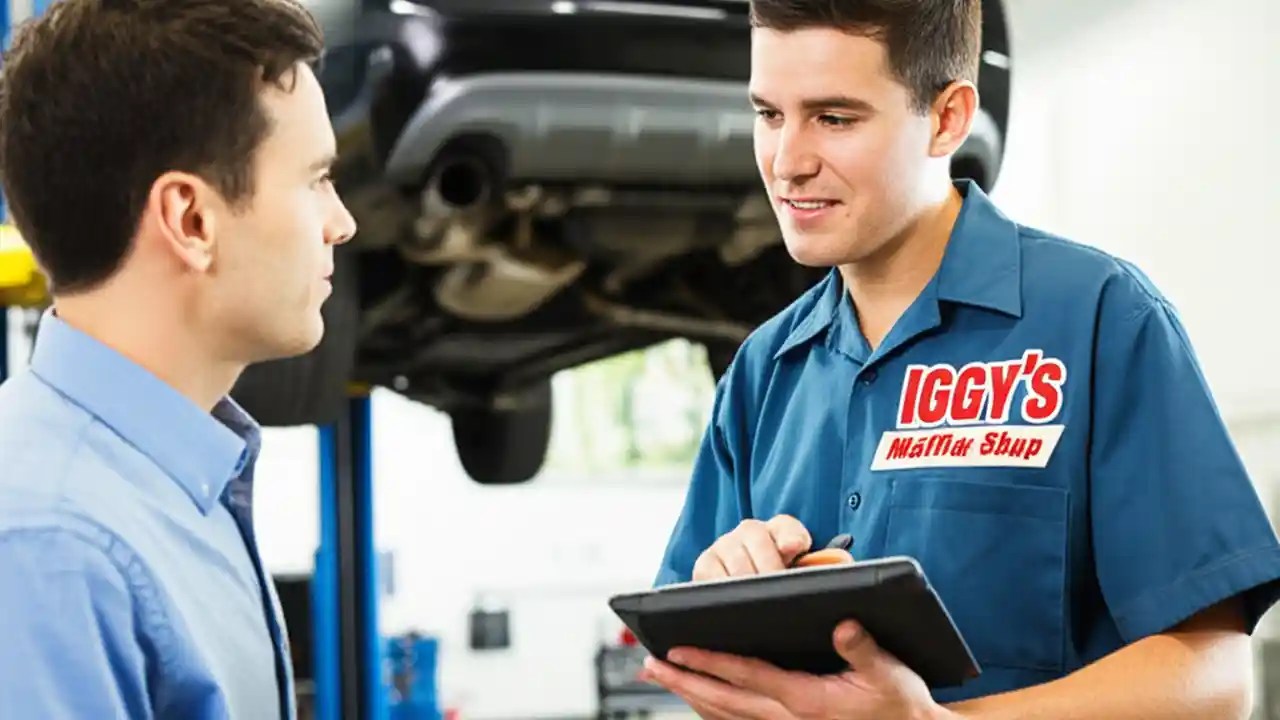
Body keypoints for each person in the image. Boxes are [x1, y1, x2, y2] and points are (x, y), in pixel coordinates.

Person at [642, 0, 1280, 718]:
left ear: (947, 118)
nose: (787, 163)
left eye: (835, 118)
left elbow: (1218, 681)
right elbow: (701, 674)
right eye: (769, 115)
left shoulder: (1099, 318)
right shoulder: (763, 371)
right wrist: (727, 597)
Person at [0, 0, 356, 717]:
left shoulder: (174, 483)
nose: (341, 223)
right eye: (316, 179)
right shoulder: (51, 551)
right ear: (192, 221)